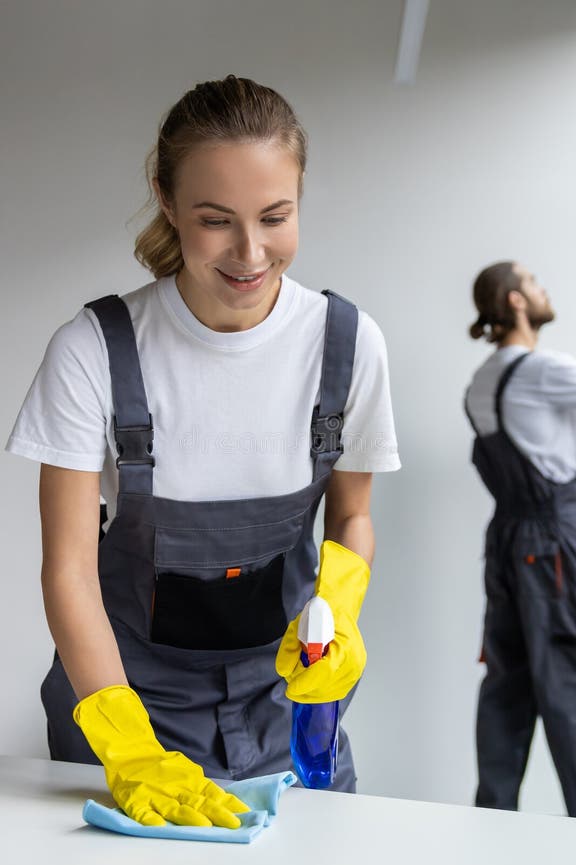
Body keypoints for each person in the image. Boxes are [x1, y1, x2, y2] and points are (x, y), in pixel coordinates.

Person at [6, 75, 400, 828]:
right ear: (165, 198)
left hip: (288, 702)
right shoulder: (92, 351)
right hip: (125, 700)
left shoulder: (347, 346)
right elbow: (67, 568)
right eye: (215, 220)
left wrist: (340, 609)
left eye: (276, 216)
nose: (251, 252)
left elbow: (352, 517)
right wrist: (127, 745)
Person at [465, 260, 576, 816]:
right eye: (533, 282)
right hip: (552, 544)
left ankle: (493, 823)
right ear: (514, 301)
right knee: (567, 681)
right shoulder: (540, 370)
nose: (544, 289)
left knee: (507, 686)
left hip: (507, 544)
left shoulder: (482, 381)